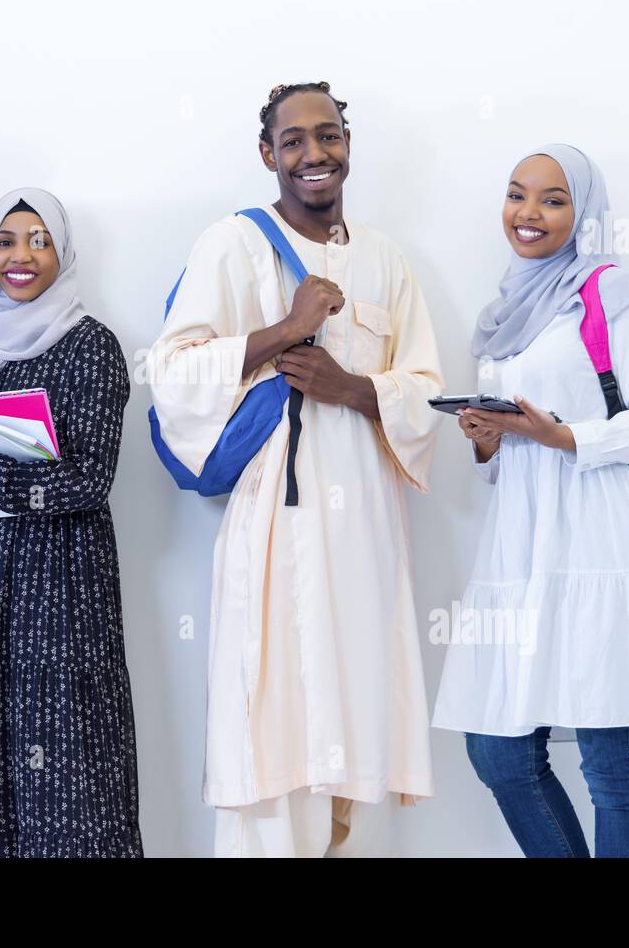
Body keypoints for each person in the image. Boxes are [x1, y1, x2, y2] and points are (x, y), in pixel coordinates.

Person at [148, 83, 444, 857]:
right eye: (294, 141)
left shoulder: (385, 259)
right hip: (276, 530)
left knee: (354, 744)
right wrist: (287, 329)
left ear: (349, 140)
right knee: (275, 742)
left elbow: (425, 388)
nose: (314, 154)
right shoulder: (231, 244)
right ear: (267, 154)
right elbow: (171, 373)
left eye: (329, 135)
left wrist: (354, 389)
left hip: (368, 536)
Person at [431, 144, 629, 858]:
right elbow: (506, 463)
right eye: (516, 194)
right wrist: (487, 440)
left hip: (604, 546)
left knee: (613, 769)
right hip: (522, 549)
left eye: (552, 199)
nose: (528, 213)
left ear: (585, 212)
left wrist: (562, 434)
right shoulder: (504, 310)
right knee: (498, 752)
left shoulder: (613, 293)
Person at [0, 187, 143, 857]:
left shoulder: (91, 347)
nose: (20, 256)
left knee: (77, 779)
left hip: (63, 598)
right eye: (5, 241)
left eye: (38, 239)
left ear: (63, 251)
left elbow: (87, 480)